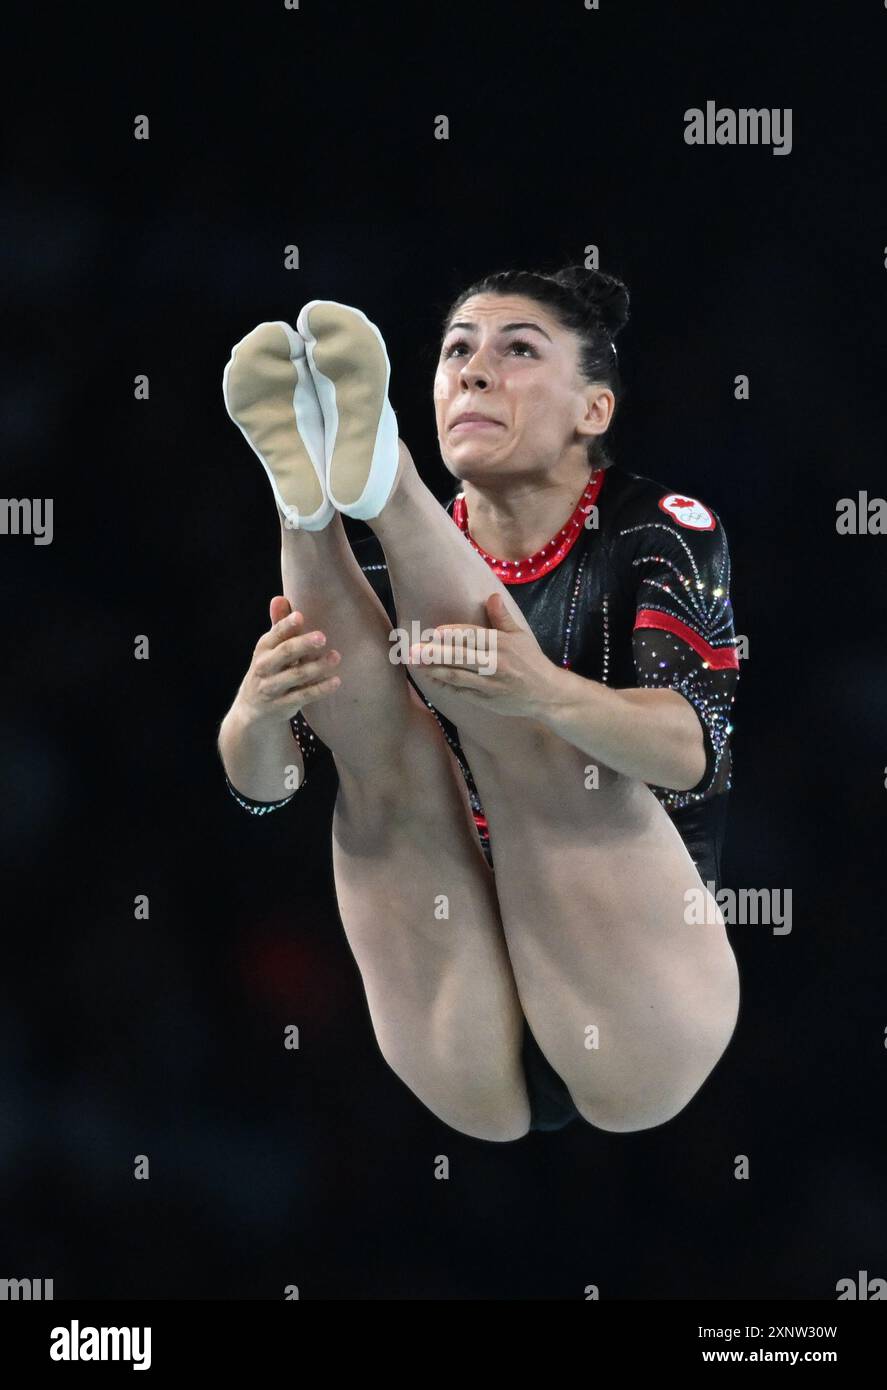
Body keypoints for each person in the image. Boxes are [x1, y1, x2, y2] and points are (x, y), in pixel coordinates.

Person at [216, 267, 741, 1140]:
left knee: (535, 741)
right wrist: (255, 716)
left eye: (517, 350)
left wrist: (546, 692)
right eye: (457, 350)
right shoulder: (372, 584)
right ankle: (302, 503)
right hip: (451, 1016)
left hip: (637, 1001)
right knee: (383, 764)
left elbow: (690, 754)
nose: (473, 371)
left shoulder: (657, 528)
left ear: (592, 411)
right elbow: (262, 789)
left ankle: (385, 483)